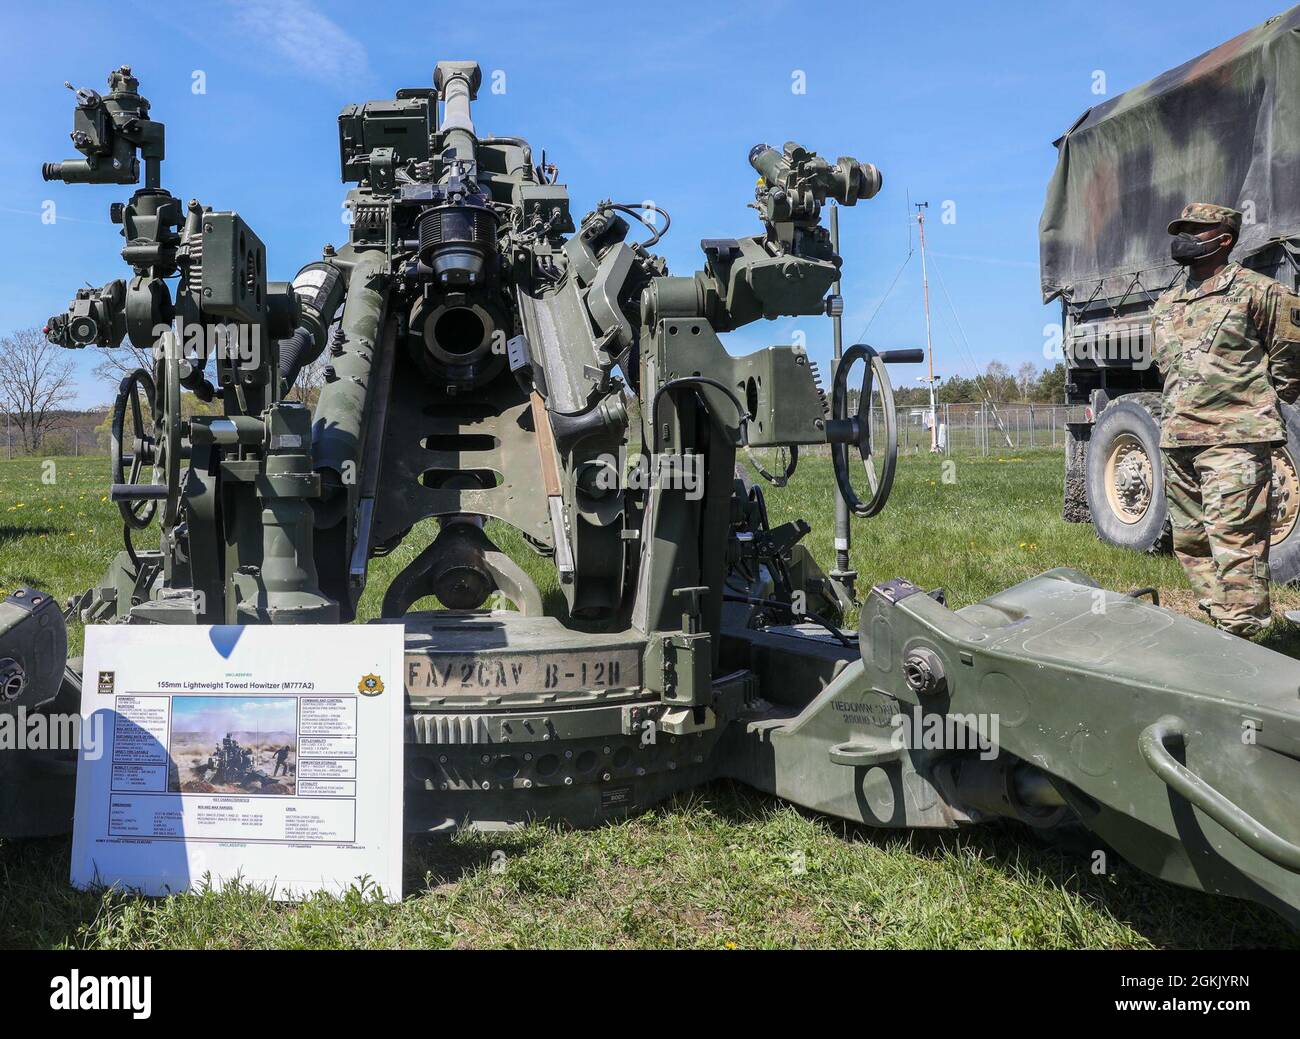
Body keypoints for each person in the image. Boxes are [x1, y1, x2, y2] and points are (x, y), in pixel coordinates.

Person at [1152, 202, 1300, 636]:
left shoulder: (1261, 292)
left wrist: (1254, 405)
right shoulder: (1166, 304)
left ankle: (1247, 643)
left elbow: (1290, 359)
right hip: (1179, 440)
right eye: (1181, 230)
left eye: (1196, 230)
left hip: (1234, 438)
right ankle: (1223, 626)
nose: (1184, 239)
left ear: (1224, 239)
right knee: (1192, 542)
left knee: (1236, 543)